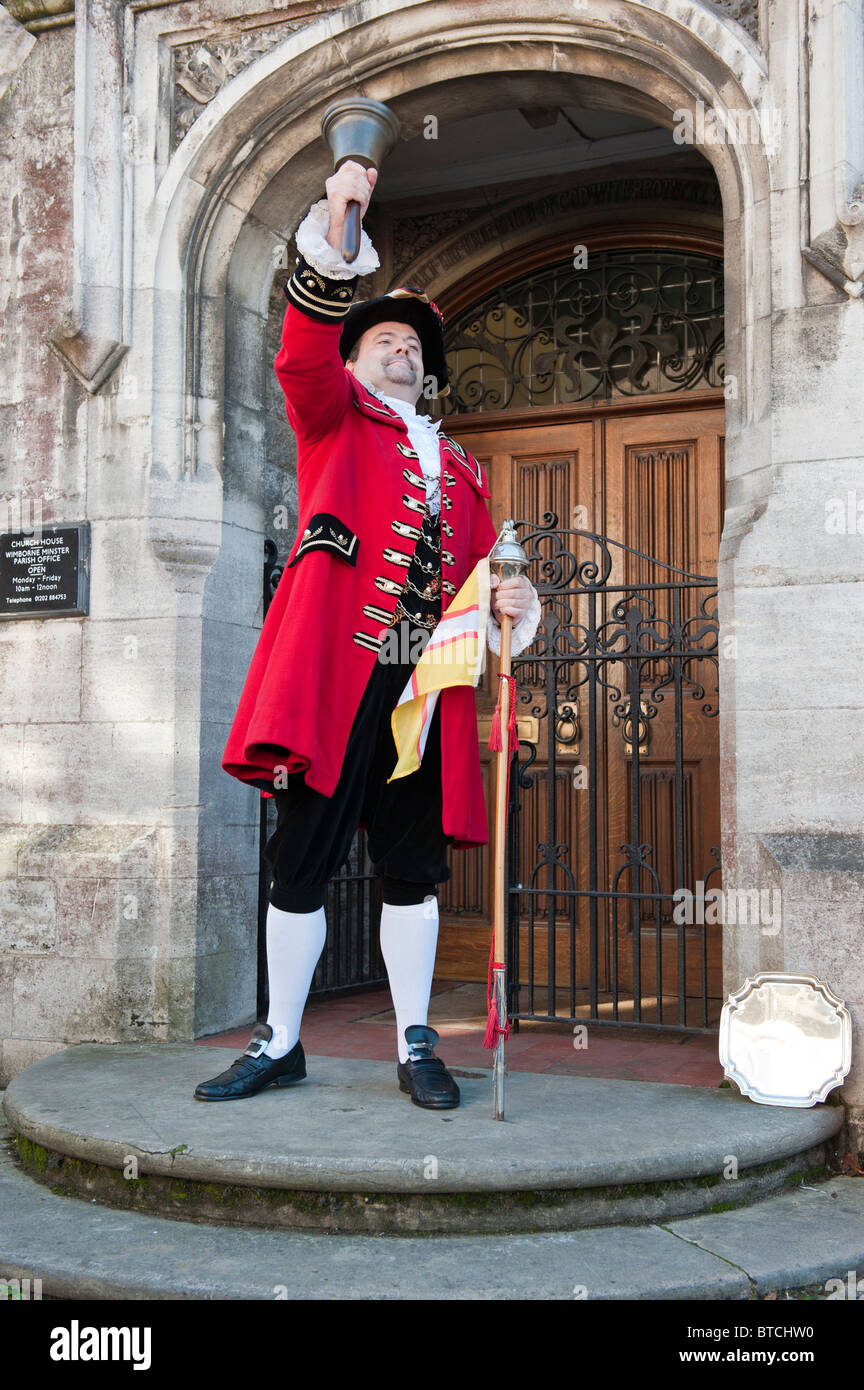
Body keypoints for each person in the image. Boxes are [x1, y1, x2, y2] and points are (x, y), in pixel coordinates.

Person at [196, 162, 541, 1109]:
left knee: (412, 866)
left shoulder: (463, 465)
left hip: (423, 682)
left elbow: (484, 576)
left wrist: (514, 608)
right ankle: (279, 1040)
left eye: (411, 347)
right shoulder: (332, 417)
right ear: (356, 364)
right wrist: (341, 219)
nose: (400, 353)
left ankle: (415, 1040)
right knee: (301, 859)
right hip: (339, 681)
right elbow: (299, 355)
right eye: (383, 341)